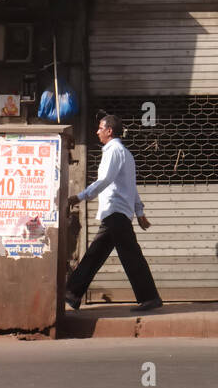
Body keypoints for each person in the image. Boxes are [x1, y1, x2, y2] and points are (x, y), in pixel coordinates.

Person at [63, 114, 163, 312]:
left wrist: (80, 196)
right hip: (117, 212)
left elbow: (105, 180)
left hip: (115, 211)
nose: (97, 131)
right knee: (96, 254)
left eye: (100, 128)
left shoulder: (114, 151)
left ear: (109, 131)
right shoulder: (124, 153)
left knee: (128, 256)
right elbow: (131, 187)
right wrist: (139, 211)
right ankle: (72, 293)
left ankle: (150, 297)